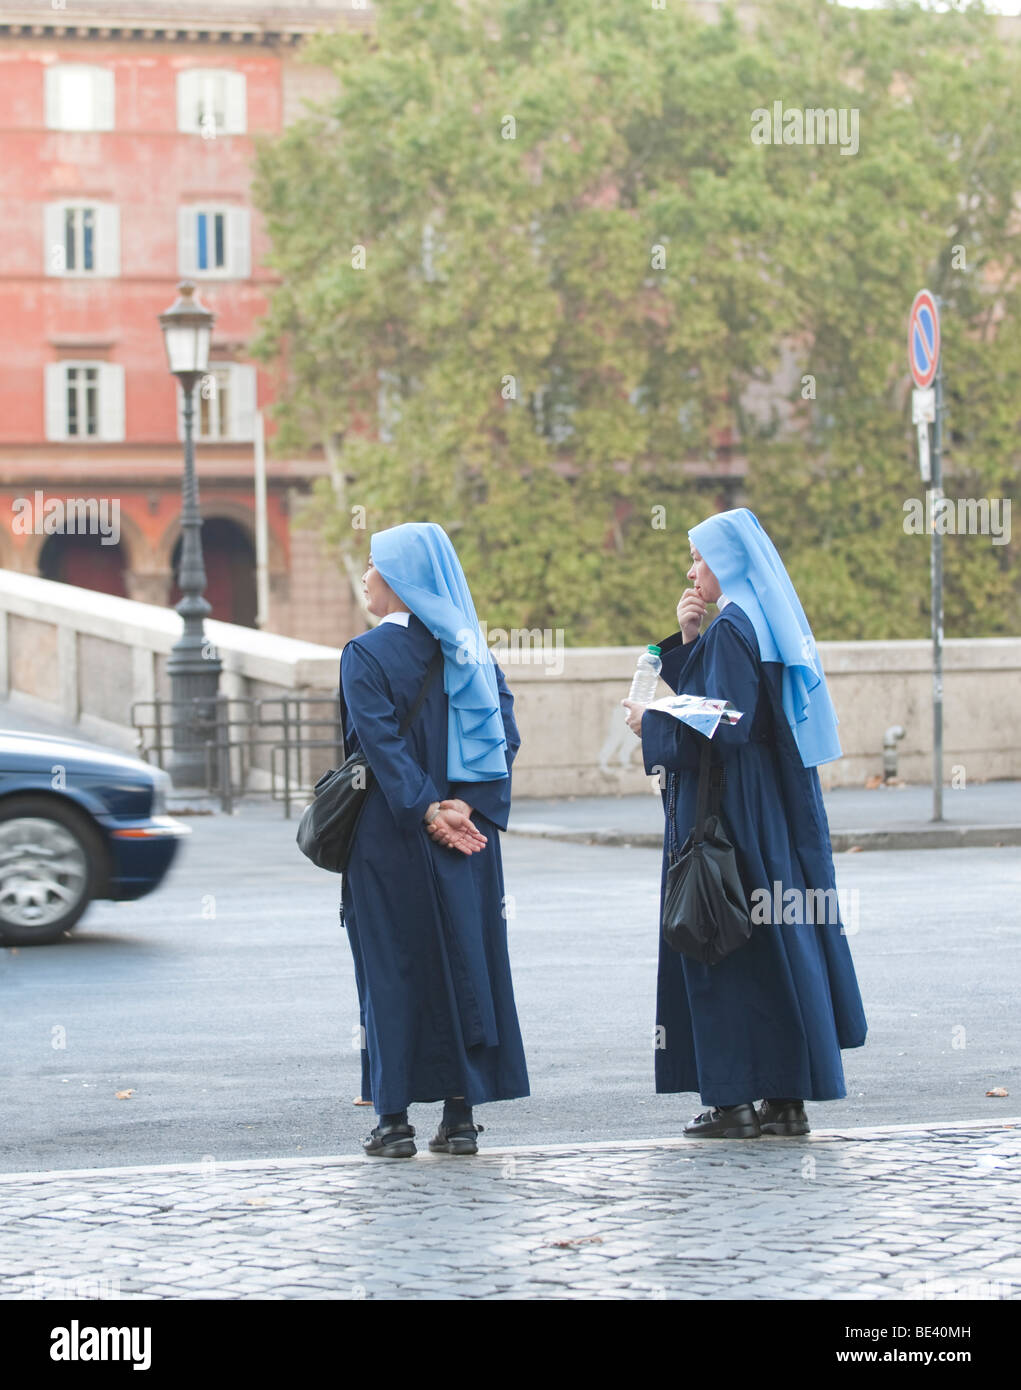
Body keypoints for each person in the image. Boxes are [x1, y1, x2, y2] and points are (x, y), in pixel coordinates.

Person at [623, 508, 867, 1138]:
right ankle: (786, 1100)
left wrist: (650, 718)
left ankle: (732, 1102)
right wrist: (686, 638)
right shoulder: (754, 616)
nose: (689, 568)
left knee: (716, 937)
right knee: (774, 942)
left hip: (725, 807)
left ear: (724, 562)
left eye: (697, 557)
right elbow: (738, 703)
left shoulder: (734, 625)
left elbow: (726, 721)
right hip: (769, 807)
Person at [338, 521, 529, 1157]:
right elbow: (504, 739)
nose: (365, 576)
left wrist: (425, 810)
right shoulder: (472, 652)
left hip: (390, 838)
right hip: (468, 839)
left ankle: (393, 1123)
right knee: (466, 967)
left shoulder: (363, 655)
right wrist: (462, 808)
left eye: (371, 564)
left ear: (395, 579)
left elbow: (379, 746)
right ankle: (462, 1117)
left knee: (391, 970)